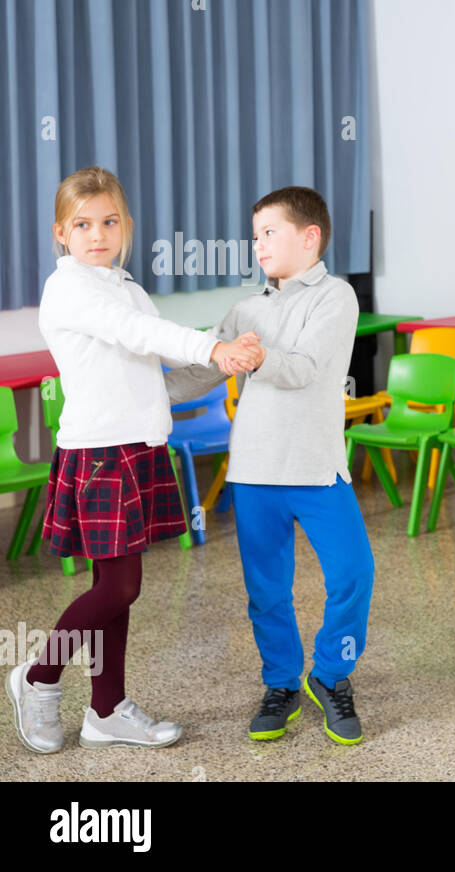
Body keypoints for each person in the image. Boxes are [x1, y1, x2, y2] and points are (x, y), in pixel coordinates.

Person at [6, 166, 259, 753]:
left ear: (126, 226)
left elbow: (154, 382)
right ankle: (37, 676)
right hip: (99, 454)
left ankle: (105, 710)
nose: (98, 234)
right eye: (83, 224)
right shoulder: (69, 288)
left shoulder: (127, 287)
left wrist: (220, 364)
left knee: (113, 586)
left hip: (138, 447)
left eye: (110, 221)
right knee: (119, 588)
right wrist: (213, 344)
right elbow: (139, 333)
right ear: (60, 234)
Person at [165, 186, 376, 744]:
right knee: (267, 591)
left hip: (316, 468)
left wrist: (255, 357)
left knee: (354, 574)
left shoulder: (337, 297)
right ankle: (280, 682)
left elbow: (305, 367)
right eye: (255, 234)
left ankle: (330, 676)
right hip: (254, 471)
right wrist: (142, 388)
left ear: (310, 237)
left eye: (269, 232)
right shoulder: (245, 308)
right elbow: (201, 371)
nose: (257, 243)